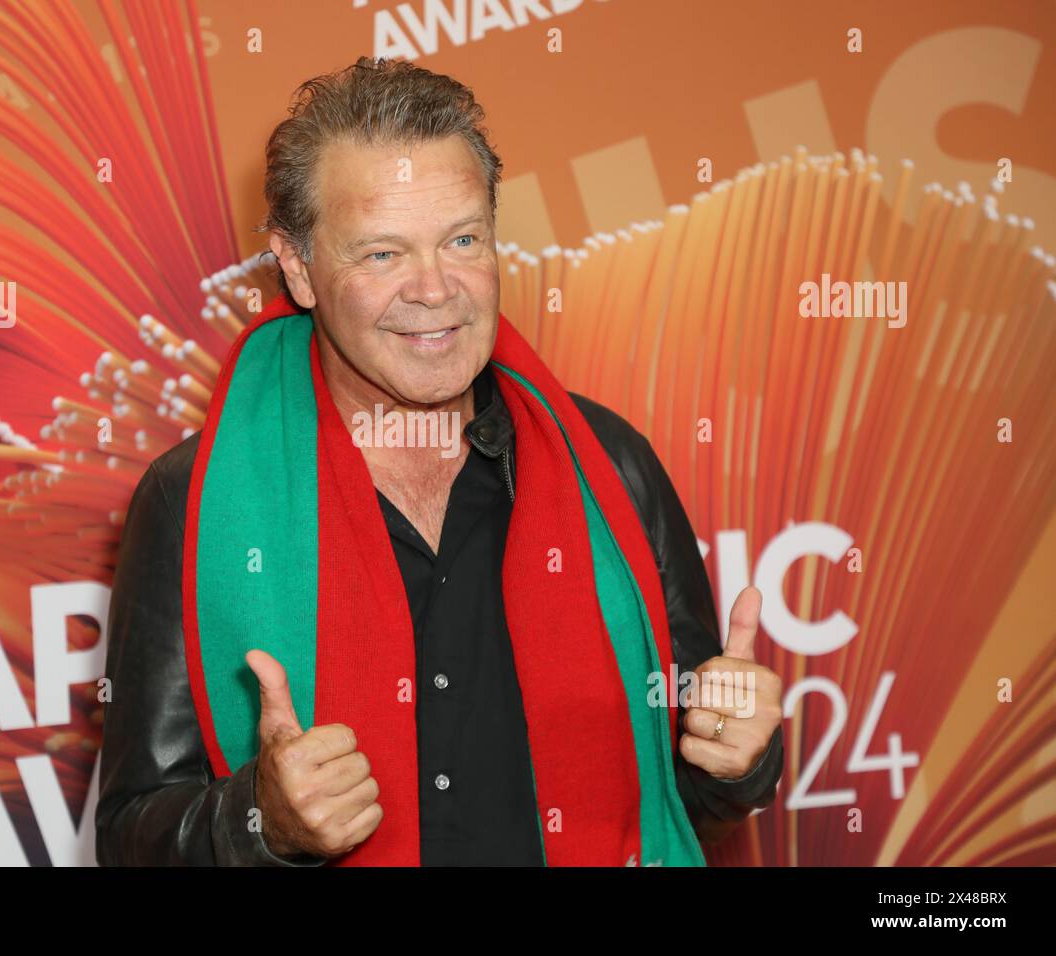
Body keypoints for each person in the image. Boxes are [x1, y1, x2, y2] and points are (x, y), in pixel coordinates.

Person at [95, 56, 783, 867]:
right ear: (296, 266)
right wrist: (258, 822)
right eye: (382, 254)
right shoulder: (195, 498)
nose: (435, 289)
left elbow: (681, 799)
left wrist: (741, 760)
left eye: (462, 239)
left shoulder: (610, 465)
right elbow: (131, 833)